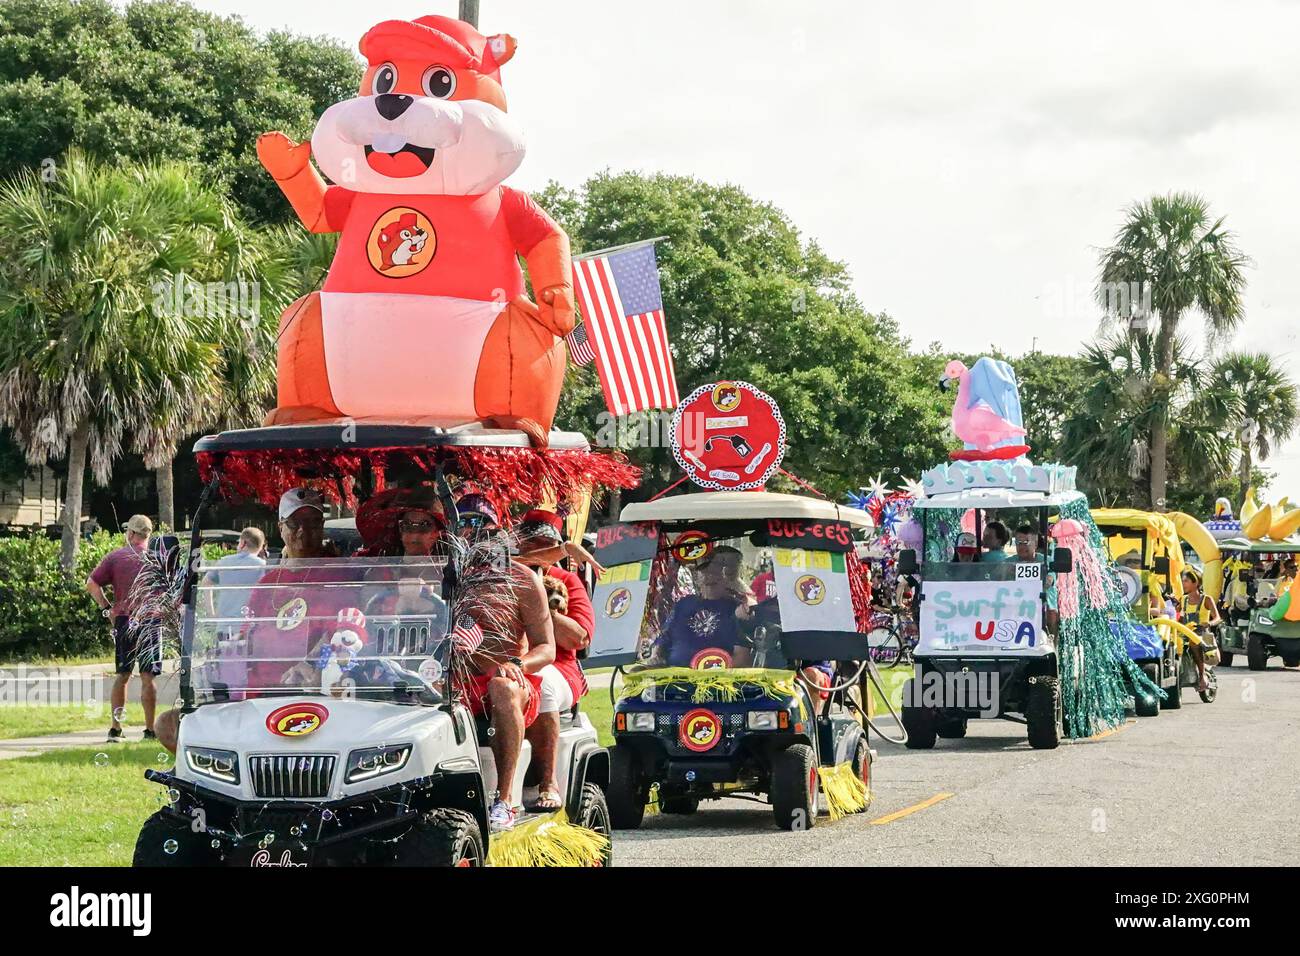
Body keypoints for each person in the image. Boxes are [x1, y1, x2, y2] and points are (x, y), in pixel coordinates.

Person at [513, 509, 595, 811]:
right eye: (530, 543)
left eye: (544, 544)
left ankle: (547, 782)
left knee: (541, 684)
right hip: (508, 658)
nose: (537, 550)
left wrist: (540, 603)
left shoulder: (566, 581)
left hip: (557, 666)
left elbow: (579, 638)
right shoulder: (504, 575)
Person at [86, 514, 160, 742]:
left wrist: (107, 609)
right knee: (149, 677)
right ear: (148, 535)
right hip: (151, 620)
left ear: (130, 533)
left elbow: (92, 584)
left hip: (124, 619)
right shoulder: (159, 558)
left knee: (123, 675)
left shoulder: (116, 557)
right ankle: (149, 730)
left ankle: (115, 729)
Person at [648, 546, 754, 667]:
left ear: (730, 577)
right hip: (674, 679)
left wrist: (708, 673)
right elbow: (662, 640)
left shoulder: (739, 610)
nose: (709, 576)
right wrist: (656, 656)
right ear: (697, 575)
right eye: (705, 570)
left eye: (716, 571)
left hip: (718, 681)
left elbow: (743, 659)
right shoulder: (683, 604)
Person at [203, 527, 267, 633]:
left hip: (224, 626)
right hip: (250, 627)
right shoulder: (263, 566)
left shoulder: (223, 563)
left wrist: (212, 614)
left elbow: (206, 582)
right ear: (259, 548)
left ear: (242, 543)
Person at [1015, 524, 1058, 634]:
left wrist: (1048, 579)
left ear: (1036, 544)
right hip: (1016, 603)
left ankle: (1052, 643)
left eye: (1025, 543)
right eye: (1018, 543)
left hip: (1042, 604)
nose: (1021, 546)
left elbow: (1051, 578)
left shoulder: (1047, 561)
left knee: (1051, 613)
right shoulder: (1008, 563)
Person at [1180, 569, 1218, 692]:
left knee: (1193, 643)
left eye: (1186, 581)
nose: (1183, 584)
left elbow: (1217, 618)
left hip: (1202, 635)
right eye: (1182, 581)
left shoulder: (1207, 599)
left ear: (1195, 582)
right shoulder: (1183, 599)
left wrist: (1209, 623)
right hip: (1185, 633)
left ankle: (1202, 676)